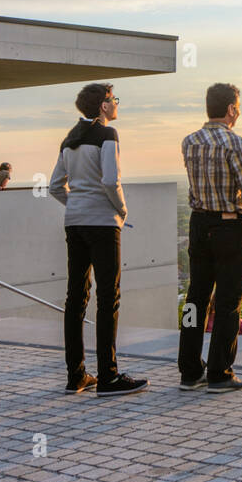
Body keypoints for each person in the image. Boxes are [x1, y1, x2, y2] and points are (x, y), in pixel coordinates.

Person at [50, 83, 147, 397]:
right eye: (114, 100)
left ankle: (76, 375)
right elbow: (110, 179)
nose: (117, 104)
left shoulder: (70, 138)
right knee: (109, 298)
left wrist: (77, 203)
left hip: (74, 222)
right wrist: (121, 208)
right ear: (104, 106)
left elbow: (55, 186)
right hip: (103, 223)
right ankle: (108, 376)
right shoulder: (107, 135)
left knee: (75, 299)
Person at [177, 83, 242, 395]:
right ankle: (219, 373)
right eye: (238, 106)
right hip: (230, 226)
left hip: (199, 223)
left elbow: (194, 188)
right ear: (231, 109)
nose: (239, 111)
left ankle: (190, 371)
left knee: (196, 298)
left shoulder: (189, 142)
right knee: (229, 302)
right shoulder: (235, 143)